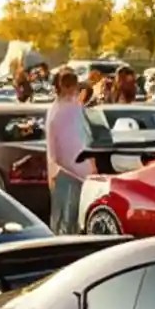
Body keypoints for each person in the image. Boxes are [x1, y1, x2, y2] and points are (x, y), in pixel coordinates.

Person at [45, 68, 96, 235]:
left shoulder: (76, 108)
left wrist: (92, 163)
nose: (70, 89)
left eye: (72, 85)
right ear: (60, 87)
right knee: (63, 215)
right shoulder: (56, 111)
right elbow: (52, 144)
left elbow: (86, 136)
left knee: (78, 215)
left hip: (82, 170)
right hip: (64, 172)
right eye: (67, 85)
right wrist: (53, 169)